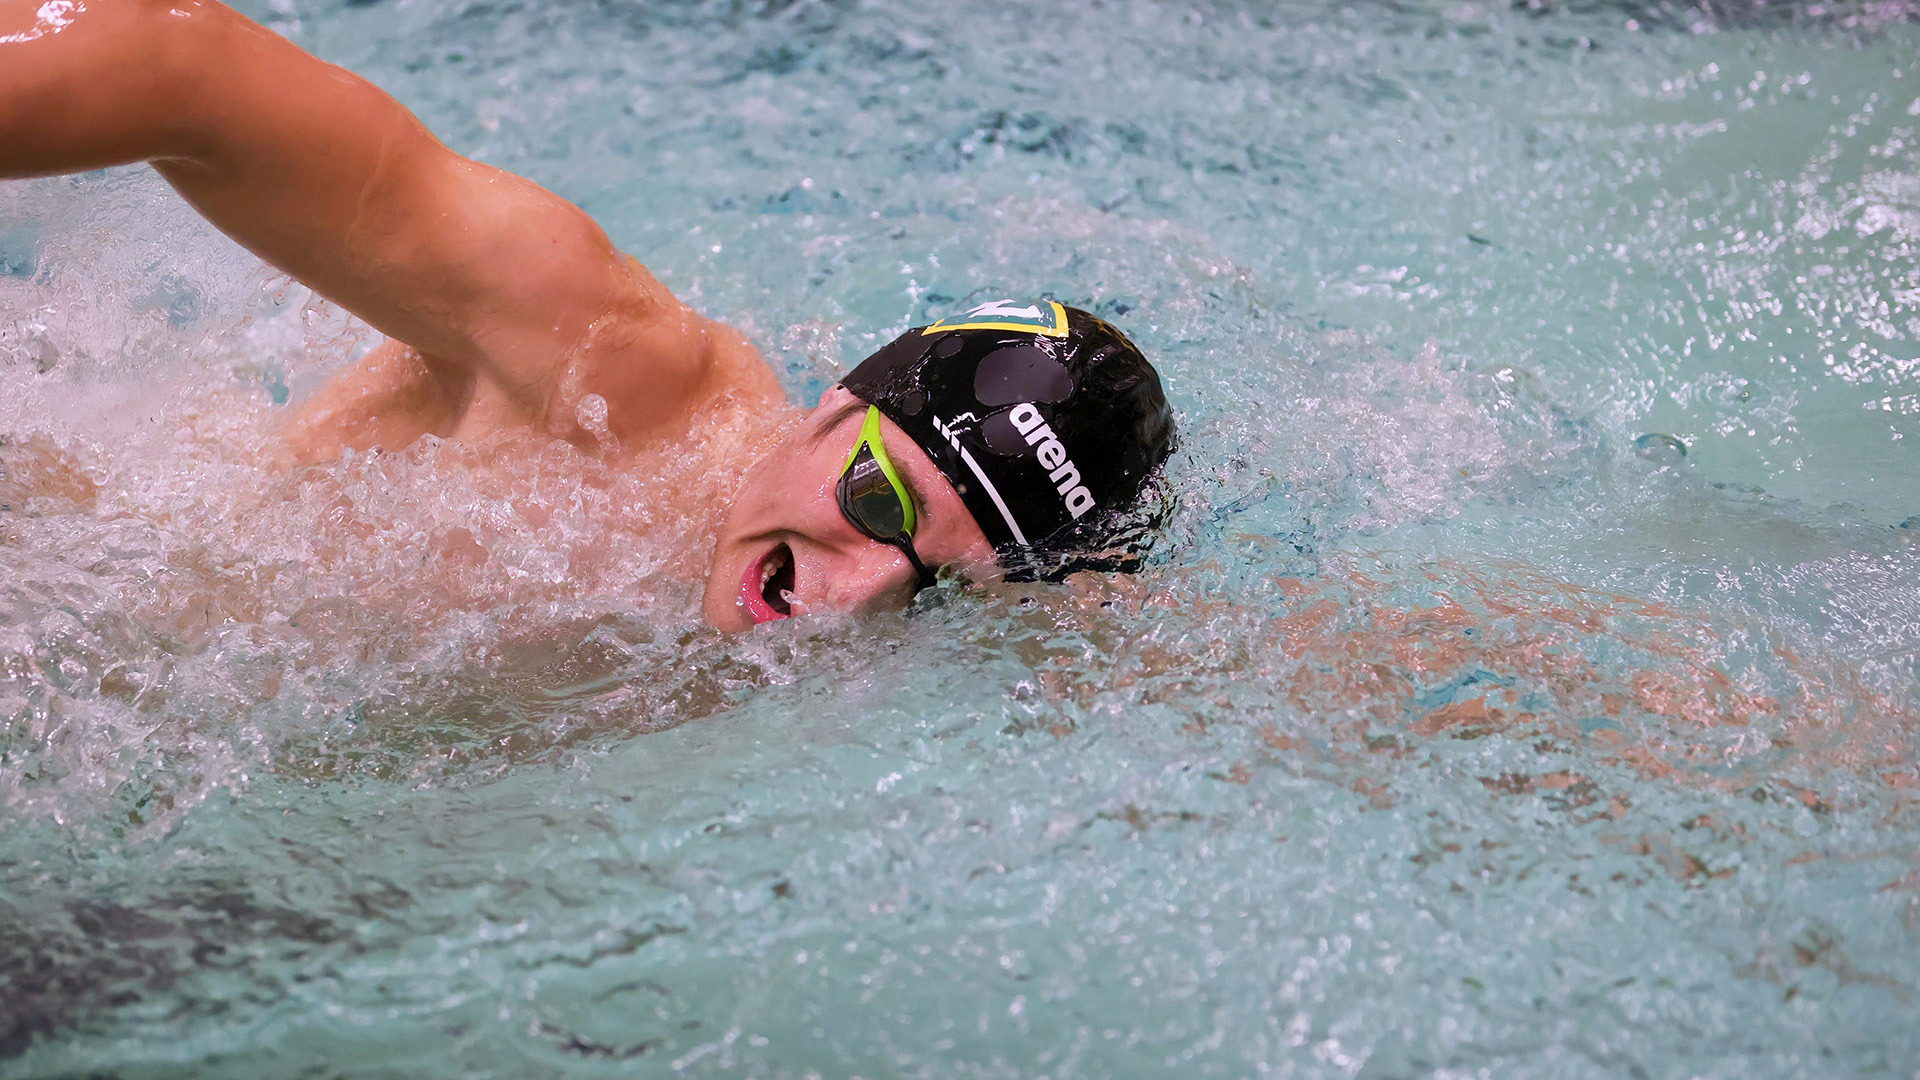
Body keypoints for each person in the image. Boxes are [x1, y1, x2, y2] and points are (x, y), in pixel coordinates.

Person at [0, 0, 1174, 632]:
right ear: (836, 406)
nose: (862, 595)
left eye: (937, 596)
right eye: (880, 502)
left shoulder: (849, 600)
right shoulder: (615, 379)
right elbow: (180, 66)